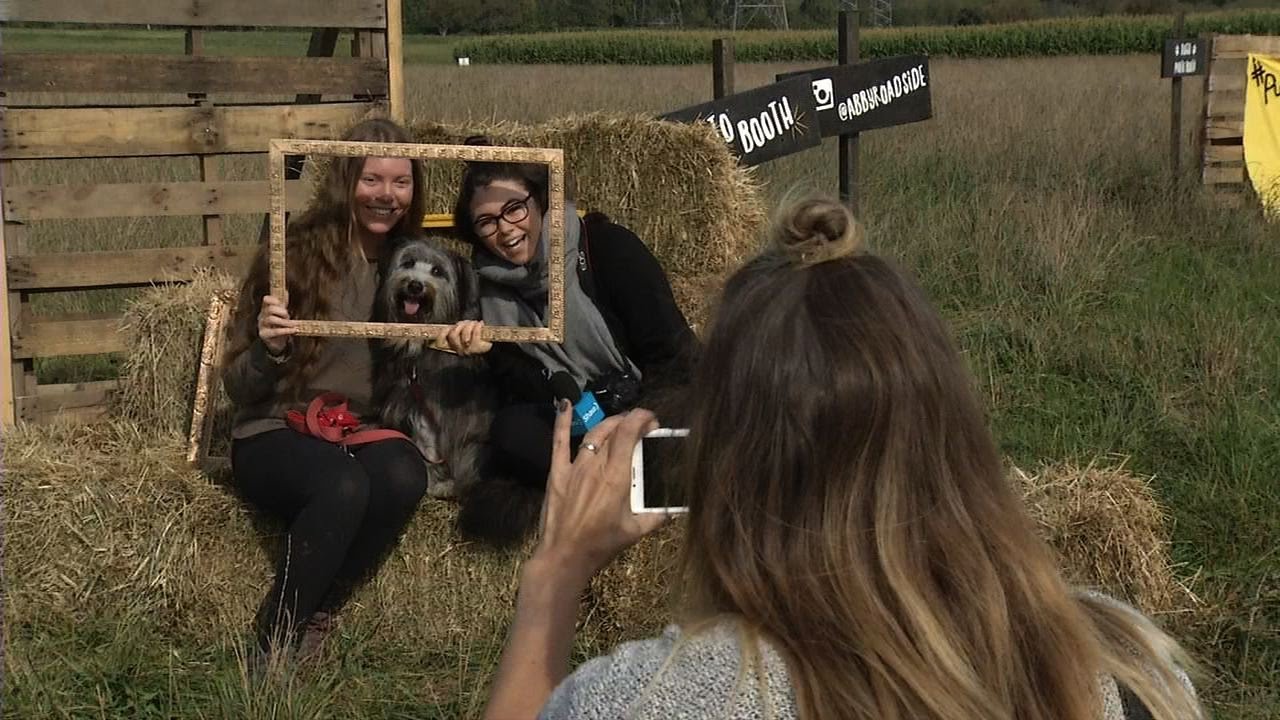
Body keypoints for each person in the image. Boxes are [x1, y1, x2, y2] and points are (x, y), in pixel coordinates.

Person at [481, 196, 1204, 720]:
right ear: (954, 439)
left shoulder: (648, 699)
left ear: (725, 462)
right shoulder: (1133, 664)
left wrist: (553, 577)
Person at [221, 117, 429, 661]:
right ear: (345, 179)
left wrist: (458, 340)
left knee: (405, 474)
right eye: (371, 179)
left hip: (357, 429)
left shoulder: (416, 268)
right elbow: (237, 385)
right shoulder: (293, 255)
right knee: (342, 486)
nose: (386, 195)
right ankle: (273, 642)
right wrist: (270, 350)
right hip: (274, 429)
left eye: (400, 182)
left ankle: (319, 605)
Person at [439, 143, 698, 546]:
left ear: (540, 201)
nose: (505, 230)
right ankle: (610, 489)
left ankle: (598, 487)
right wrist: (491, 354)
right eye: (486, 222)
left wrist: (628, 425)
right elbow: (528, 392)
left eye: (514, 209)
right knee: (511, 432)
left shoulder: (608, 247)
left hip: (650, 400)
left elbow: (673, 355)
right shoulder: (487, 289)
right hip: (577, 417)